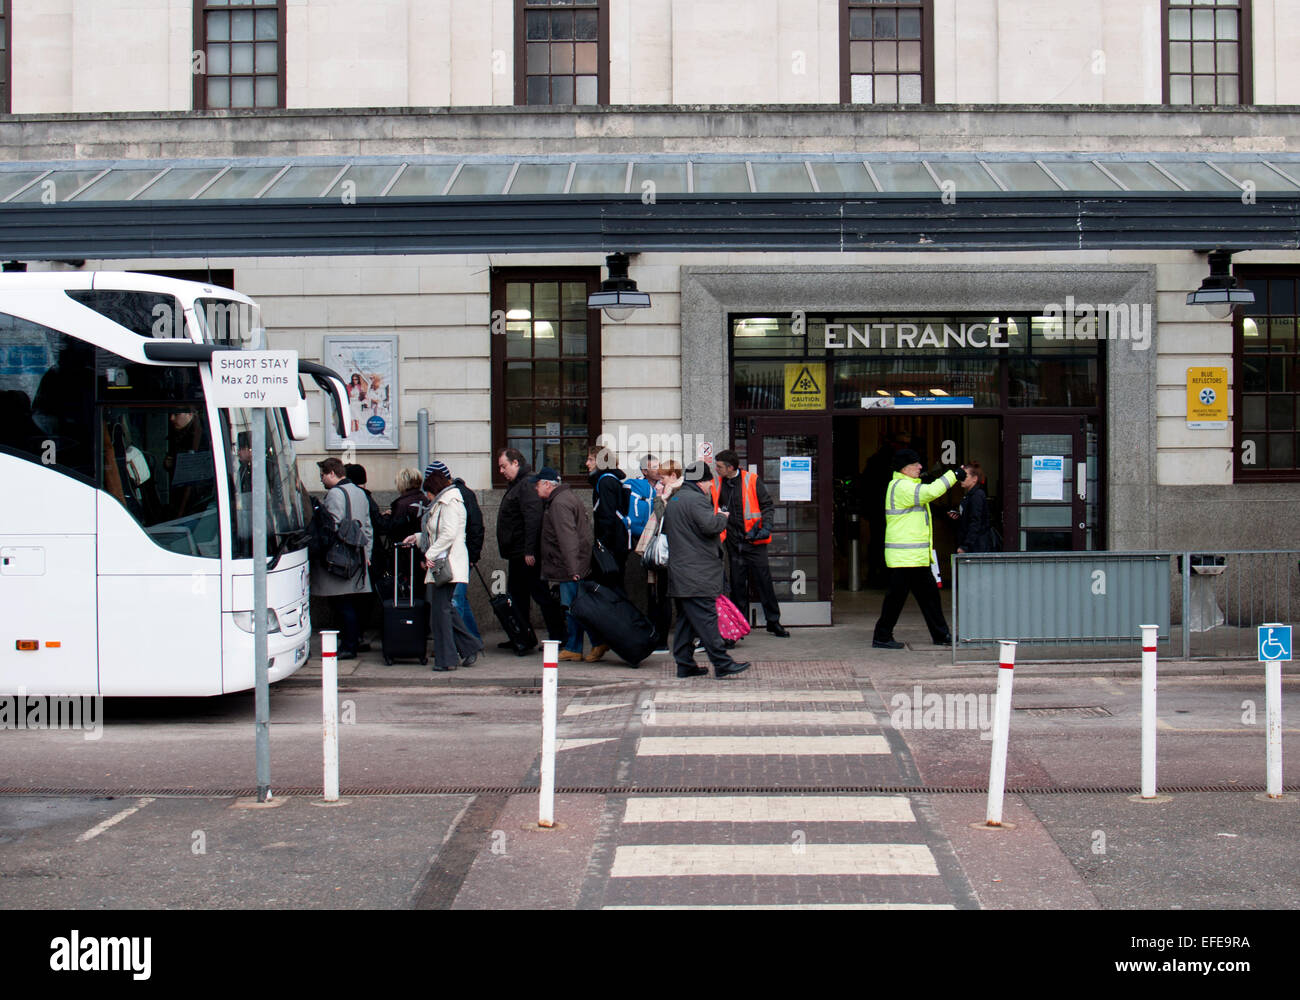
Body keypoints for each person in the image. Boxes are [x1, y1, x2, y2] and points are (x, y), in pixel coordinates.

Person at [664, 460, 750, 679]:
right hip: (698, 574)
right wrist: (722, 517)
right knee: (707, 619)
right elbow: (710, 526)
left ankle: (684, 664)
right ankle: (722, 663)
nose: (711, 486)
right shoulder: (697, 501)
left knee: (686, 621)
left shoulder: (675, 500)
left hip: (681, 572)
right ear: (702, 482)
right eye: (710, 483)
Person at [872, 449, 959, 649]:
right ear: (904, 468)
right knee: (899, 598)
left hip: (912, 556)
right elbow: (930, 492)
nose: (920, 467)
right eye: (916, 464)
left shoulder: (907, 485)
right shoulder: (902, 486)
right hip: (905, 556)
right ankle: (882, 635)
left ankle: (940, 634)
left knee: (927, 597)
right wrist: (953, 475)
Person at [404, 461, 482, 671]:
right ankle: (469, 646)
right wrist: (418, 538)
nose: (427, 497)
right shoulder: (446, 501)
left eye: (428, 493)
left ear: (434, 490)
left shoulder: (449, 502)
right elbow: (440, 533)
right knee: (445, 610)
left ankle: (447, 659)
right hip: (446, 562)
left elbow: (448, 534)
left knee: (440, 613)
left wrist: (429, 553)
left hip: (446, 564)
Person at [714, 449, 789, 638]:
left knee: (764, 582)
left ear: (730, 467)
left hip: (755, 542)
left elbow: (767, 506)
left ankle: (773, 622)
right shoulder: (717, 484)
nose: (716, 469)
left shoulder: (752, 480)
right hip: (733, 543)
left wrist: (767, 527)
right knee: (738, 586)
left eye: (719, 466)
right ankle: (740, 625)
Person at [496, 447, 565, 649]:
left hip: (525, 554)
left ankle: (558, 636)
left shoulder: (526, 484)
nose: (501, 471)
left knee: (540, 594)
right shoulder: (519, 483)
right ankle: (522, 636)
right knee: (518, 595)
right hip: (518, 552)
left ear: (516, 463)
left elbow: (533, 518)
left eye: (504, 466)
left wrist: (529, 551)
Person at [311, 457, 373, 660]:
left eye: (322, 475)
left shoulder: (335, 494)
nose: (321, 480)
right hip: (357, 557)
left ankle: (348, 645)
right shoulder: (360, 492)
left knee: (342, 604)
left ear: (331, 473)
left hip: (340, 559)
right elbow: (367, 527)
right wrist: (367, 555)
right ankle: (352, 641)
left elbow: (332, 526)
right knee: (350, 603)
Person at [536, 466, 594, 663]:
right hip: (573, 564)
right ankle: (588, 645)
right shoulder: (567, 496)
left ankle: (577, 647)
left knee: (572, 608)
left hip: (568, 567)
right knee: (578, 608)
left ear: (546, 484)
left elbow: (567, 537)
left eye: (537, 485)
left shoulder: (559, 503)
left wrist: (573, 569)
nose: (535, 489)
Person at [637, 457, 681, 651]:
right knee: (666, 598)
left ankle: (664, 641)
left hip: (671, 555)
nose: (660, 481)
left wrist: (659, 499)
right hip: (673, 554)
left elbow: (665, 519)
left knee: (665, 598)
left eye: (663, 477)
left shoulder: (674, 494)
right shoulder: (675, 492)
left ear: (673, 476)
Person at [445, 462, 484, 641]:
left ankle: (459, 644)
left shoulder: (459, 496)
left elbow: (475, 527)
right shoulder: (462, 494)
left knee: (456, 600)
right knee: (460, 599)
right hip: (463, 555)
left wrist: (473, 555)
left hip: (461, 556)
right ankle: (473, 639)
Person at [949, 461, 998, 554]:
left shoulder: (977, 496)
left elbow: (975, 522)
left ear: (974, 479)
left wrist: (965, 546)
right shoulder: (969, 495)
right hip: (973, 545)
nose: (962, 479)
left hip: (976, 547)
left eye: (965, 476)